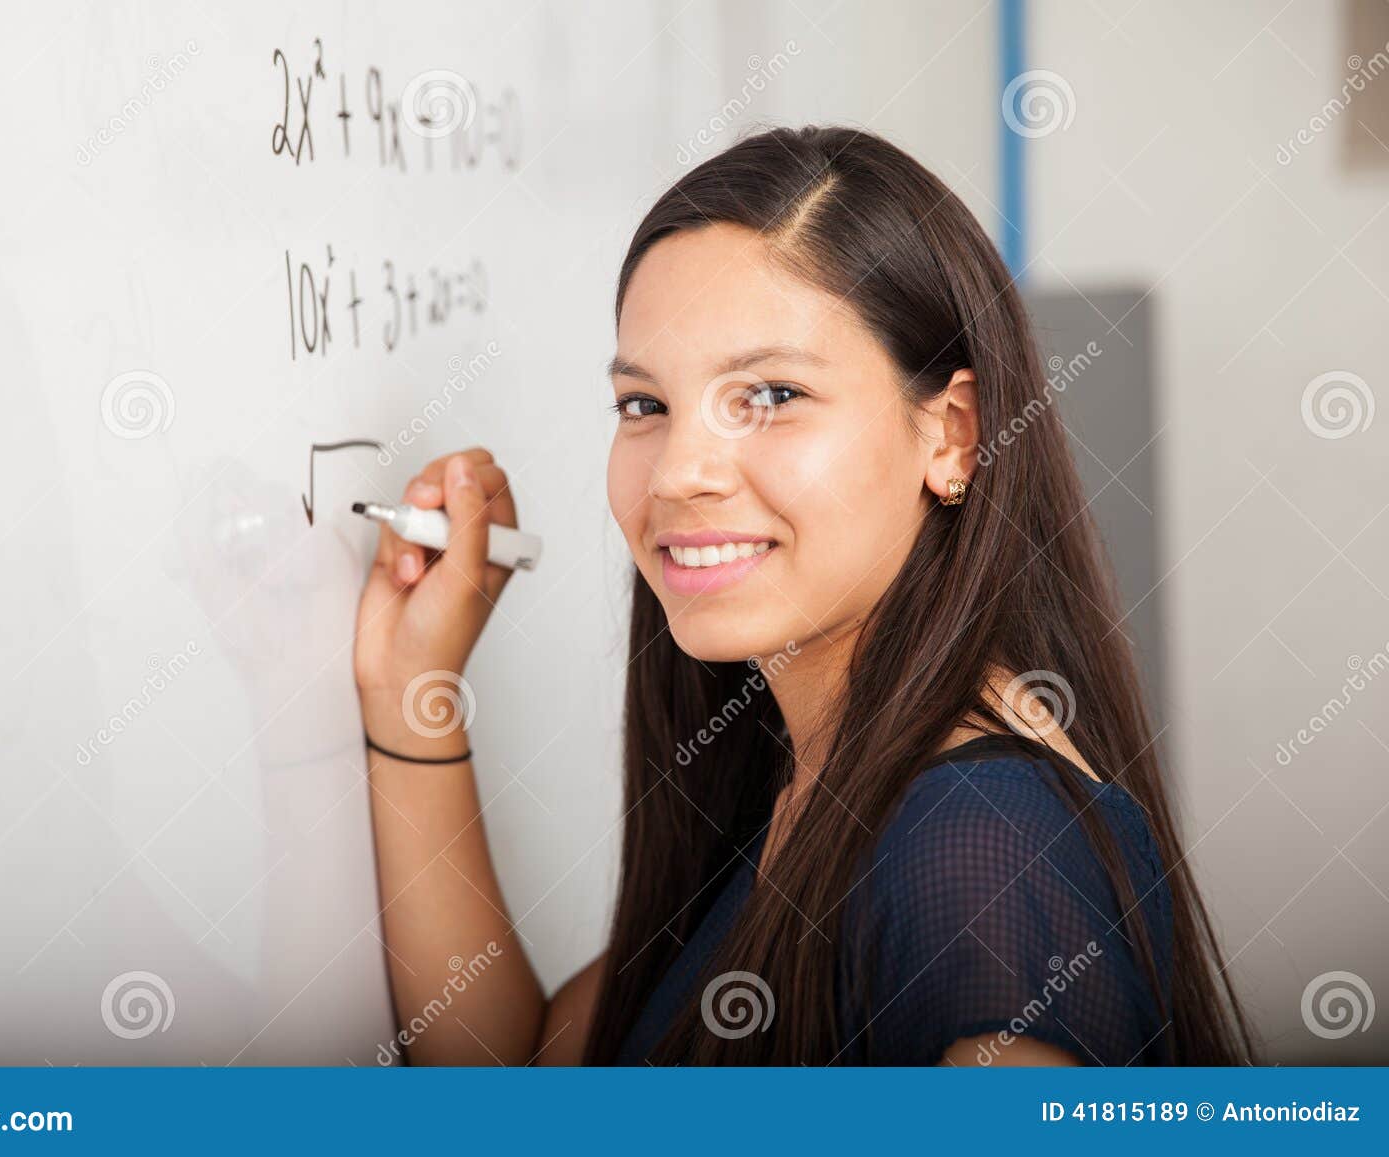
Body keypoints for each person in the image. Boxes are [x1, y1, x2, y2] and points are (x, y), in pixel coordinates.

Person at [352, 125, 1256, 1066]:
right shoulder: (813, 780)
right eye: (645, 405)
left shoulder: (981, 842)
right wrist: (408, 687)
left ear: (952, 434)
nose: (678, 475)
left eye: (772, 394)